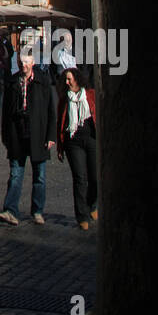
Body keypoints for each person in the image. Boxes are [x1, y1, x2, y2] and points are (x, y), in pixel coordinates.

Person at [0, 48, 57, 226]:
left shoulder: (43, 82)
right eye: (21, 62)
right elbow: (5, 114)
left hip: (38, 134)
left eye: (27, 61)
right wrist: (5, 136)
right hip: (17, 134)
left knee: (40, 176)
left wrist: (51, 135)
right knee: (15, 174)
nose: (24, 64)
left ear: (33, 63)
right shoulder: (12, 82)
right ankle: (10, 210)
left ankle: (37, 211)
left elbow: (51, 111)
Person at [56, 66, 98, 230]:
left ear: (77, 79)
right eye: (65, 79)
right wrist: (60, 147)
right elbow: (60, 123)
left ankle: (92, 205)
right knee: (80, 178)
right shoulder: (63, 99)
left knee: (94, 177)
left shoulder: (90, 95)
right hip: (73, 141)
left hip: (91, 138)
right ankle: (82, 215)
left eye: (69, 79)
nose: (67, 82)